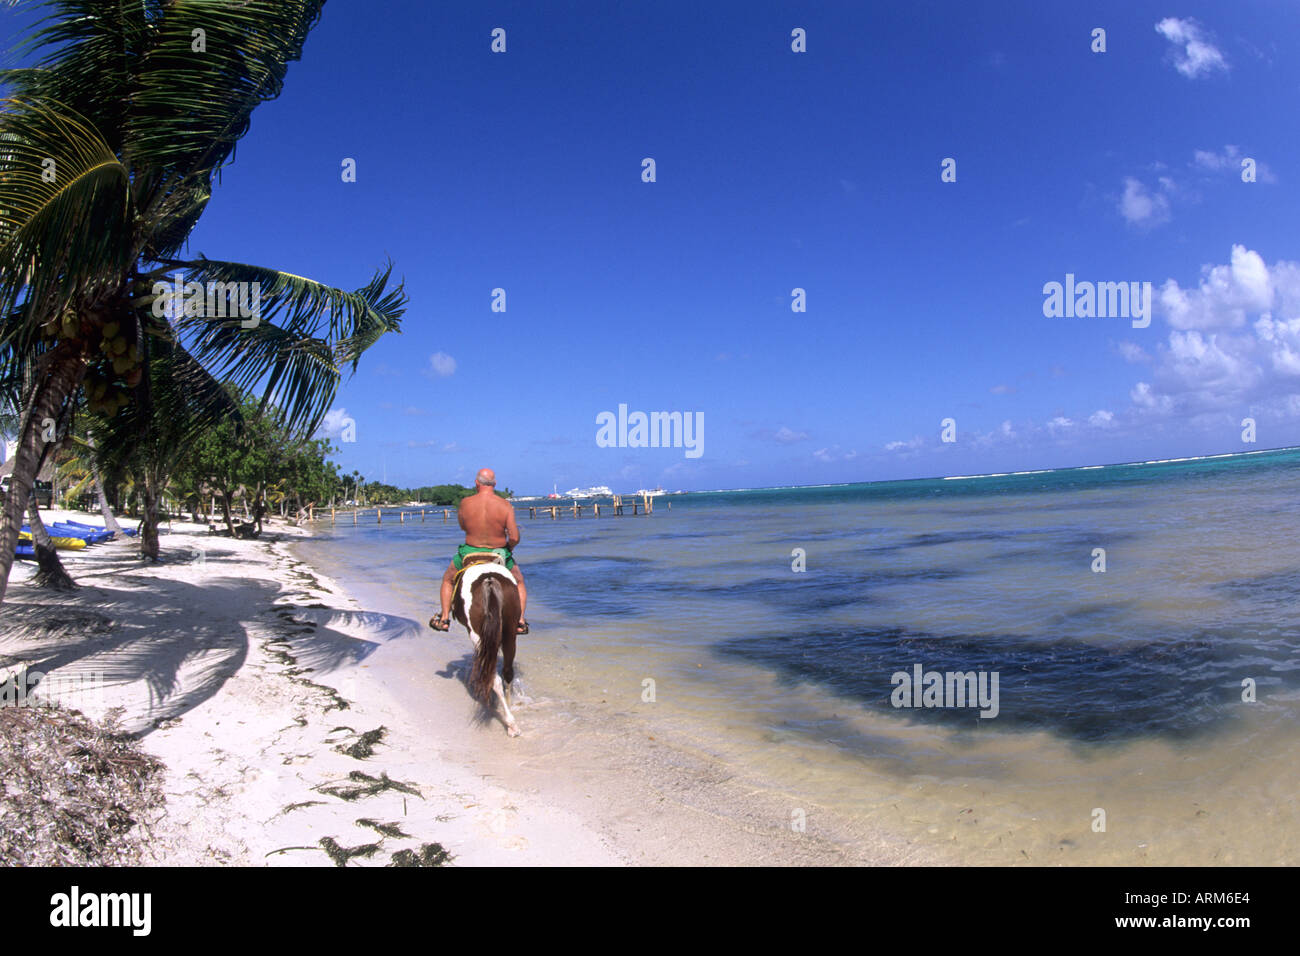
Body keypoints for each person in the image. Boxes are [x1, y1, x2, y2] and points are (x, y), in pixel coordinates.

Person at [430, 468, 528, 633]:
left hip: (470, 551)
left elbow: (463, 526)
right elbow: (514, 537)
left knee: (448, 580)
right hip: (498, 552)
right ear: (495, 484)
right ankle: (520, 621)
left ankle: (445, 618)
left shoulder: (465, 503)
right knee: (519, 582)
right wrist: (508, 548)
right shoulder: (505, 506)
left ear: (477, 483)